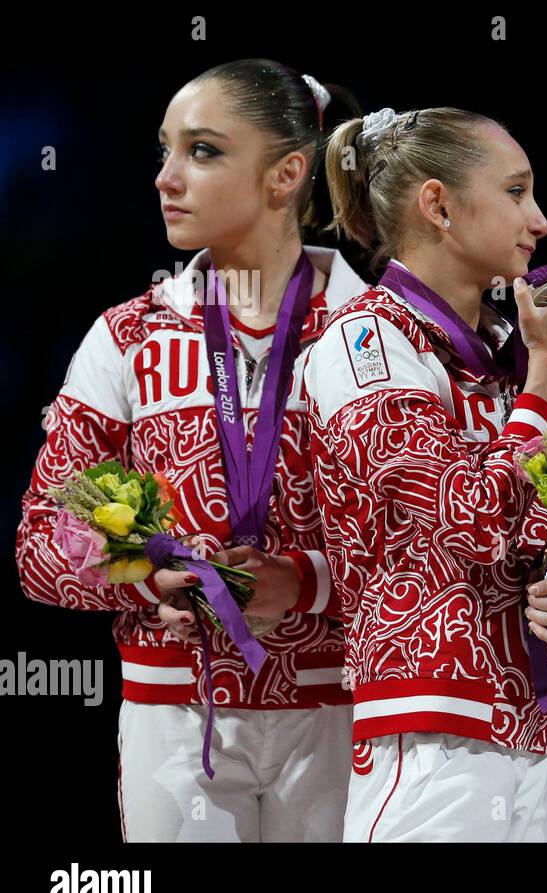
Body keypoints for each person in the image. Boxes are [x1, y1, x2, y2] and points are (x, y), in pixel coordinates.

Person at [16, 59, 368, 841]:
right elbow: (40, 547)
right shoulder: (128, 336)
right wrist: (145, 575)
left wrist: (307, 584)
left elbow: (443, 550)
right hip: (176, 717)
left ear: (286, 174)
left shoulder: (379, 334)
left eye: (203, 152)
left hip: (347, 706)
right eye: (164, 152)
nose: (167, 178)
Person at [304, 105, 547, 841]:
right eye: (515, 192)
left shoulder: (511, 350)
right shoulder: (365, 343)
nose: (540, 221)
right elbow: (470, 516)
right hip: (434, 733)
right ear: (437, 205)